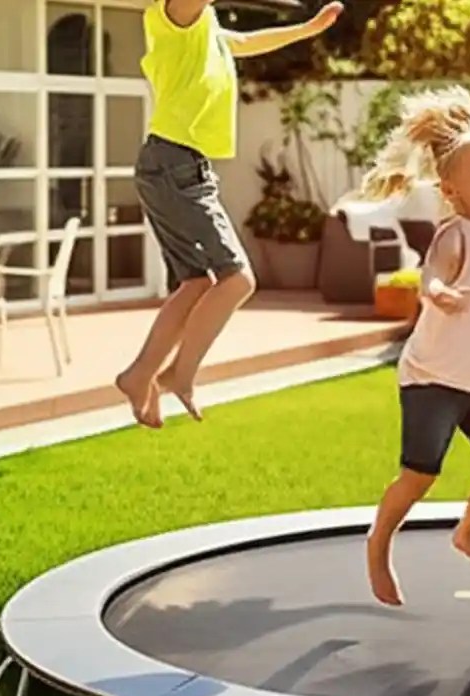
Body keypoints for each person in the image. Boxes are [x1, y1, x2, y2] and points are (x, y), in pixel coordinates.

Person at [115, 0, 343, 428]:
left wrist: (308, 29)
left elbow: (246, 41)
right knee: (237, 279)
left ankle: (140, 373)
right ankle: (177, 375)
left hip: (179, 165)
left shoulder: (205, 31)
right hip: (173, 163)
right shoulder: (173, 17)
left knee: (199, 282)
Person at [357, 86, 470, 606]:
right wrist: (438, 292)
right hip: (432, 378)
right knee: (419, 475)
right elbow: (431, 272)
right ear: (452, 191)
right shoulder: (456, 234)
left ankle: (467, 532)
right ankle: (379, 543)